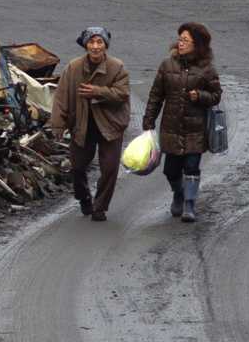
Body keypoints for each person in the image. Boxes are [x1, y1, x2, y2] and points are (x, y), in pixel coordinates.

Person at [143, 21, 222, 223]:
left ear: (198, 44)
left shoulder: (207, 70)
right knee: (171, 170)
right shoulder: (167, 65)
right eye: (180, 39)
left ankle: (189, 203)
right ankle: (178, 192)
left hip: (195, 129)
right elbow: (156, 95)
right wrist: (148, 120)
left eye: (186, 40)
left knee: (192, 166)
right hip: (171, 128)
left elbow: (216, 95)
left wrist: (200, 96)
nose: (181, 43)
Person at [53, 24, 132, 220]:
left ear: (105, 45)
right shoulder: (73, 68)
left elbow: (122, 94)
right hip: (82, 124)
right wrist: (58, 124)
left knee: (110, 168)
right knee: (77, 167)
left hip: (110, 125)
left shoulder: (117, 67)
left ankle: (100, 207)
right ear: (85, 45)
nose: (95, 46)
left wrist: (98, 92)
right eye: (91, 42)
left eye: (99, 42)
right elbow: (61, 97)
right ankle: (84, 197)